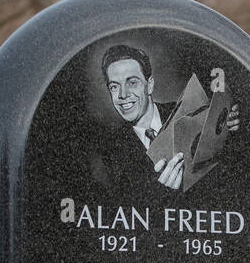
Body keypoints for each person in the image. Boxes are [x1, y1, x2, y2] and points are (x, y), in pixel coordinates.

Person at [93, 44, 238, 194]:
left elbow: (223, 165)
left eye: (132, 83)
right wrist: (162, 193)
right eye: (114, 87)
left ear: (149, 85)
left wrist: (231, 127)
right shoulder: (109, 152)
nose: (123, 94)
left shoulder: (187, 110)